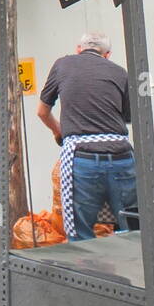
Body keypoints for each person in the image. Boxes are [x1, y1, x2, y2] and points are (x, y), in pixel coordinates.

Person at [37, 33, 135, 241]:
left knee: (80, 233)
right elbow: (128, 116)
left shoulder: (62, 65)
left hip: (83, 159)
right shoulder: (120, 72)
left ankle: (88, 270)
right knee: (133, 226)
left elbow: (42, 112)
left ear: (78, 49)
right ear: (107, 55)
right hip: (122, 156)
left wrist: (58, 131)